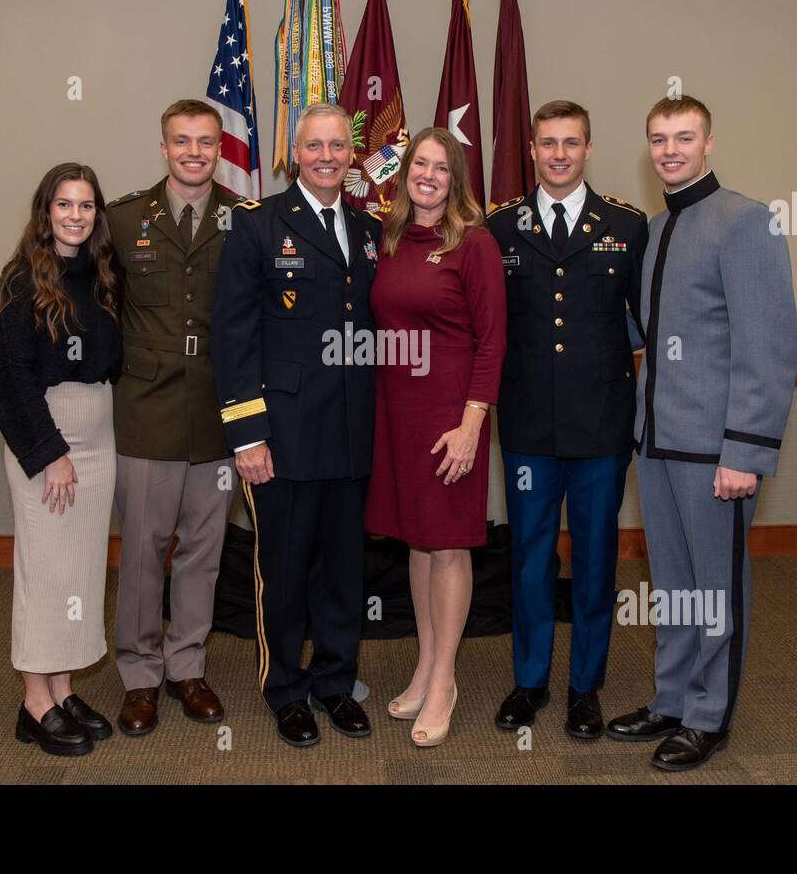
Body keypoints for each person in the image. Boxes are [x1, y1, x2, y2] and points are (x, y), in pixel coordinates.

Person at [606, 96, 797, 770]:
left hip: (717, 451)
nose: (669, 149)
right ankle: (672, 698)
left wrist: (744, 451)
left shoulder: (745, 221)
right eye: (658, 138)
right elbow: (643, 331)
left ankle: (709, 715)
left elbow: (768, 345)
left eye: (683, 137)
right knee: (675, 583)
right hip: (656, 442)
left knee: (716, 587)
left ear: (708, 142)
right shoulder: (656, 230)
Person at [210, 102, 384, 748]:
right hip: (280, 436)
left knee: (343, 570)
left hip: (350, 433)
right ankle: (285, 689)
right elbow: (232, 337)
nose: (328, 156)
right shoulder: (258, 225)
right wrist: (246, 435)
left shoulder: (368, 229)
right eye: (315, 145)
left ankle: (335, 682)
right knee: (282, 572)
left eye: (338, 146)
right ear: (295, 152)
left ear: (350, 154)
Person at [485, 100, 647, 740]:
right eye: (547, 143)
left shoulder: (627, 227)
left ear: (588, 148)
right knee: (527, 558)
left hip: (602, 426)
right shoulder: (501, 228)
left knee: (597, 557)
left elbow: (648, 324)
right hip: (527, 425)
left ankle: (586, 687)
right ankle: (529, 683)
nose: (558, 153)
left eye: (571, 143)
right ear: (531, 149)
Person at [365, 127, 505, 747]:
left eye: (441, 168)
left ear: (457, 180)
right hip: (398, 415)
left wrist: (473, 423)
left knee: (448, 546)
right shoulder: (391, 239)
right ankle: (425, 663)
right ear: (404, 172)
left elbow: (492, 340)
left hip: (451, 417)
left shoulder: (474, 245)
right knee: (418, 545)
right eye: (419, 164)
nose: (428, 175)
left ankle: (445, 678)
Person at [106, 100, 242, 735]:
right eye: (182, 141)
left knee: (202, 553)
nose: (194, 152)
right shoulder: (123, 218)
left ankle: (188, 665)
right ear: (163, 147)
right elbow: (98, 309)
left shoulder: (244, 221)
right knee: (142, 552)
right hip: (147, 410)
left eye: (206, 142)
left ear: (221, 150)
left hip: (216, 411)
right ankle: (139, 675)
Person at [0, 162, 123, 756]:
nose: (75, 215)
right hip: (47, 437)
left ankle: (65, 688)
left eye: (86, 205)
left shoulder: (100, 276)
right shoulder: (23, 280)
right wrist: (51, 455)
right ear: (46, 212)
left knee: (82, 569)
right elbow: (10, 380)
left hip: (100, 434)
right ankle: (34, 701)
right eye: (64, 205)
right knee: (45, 569)